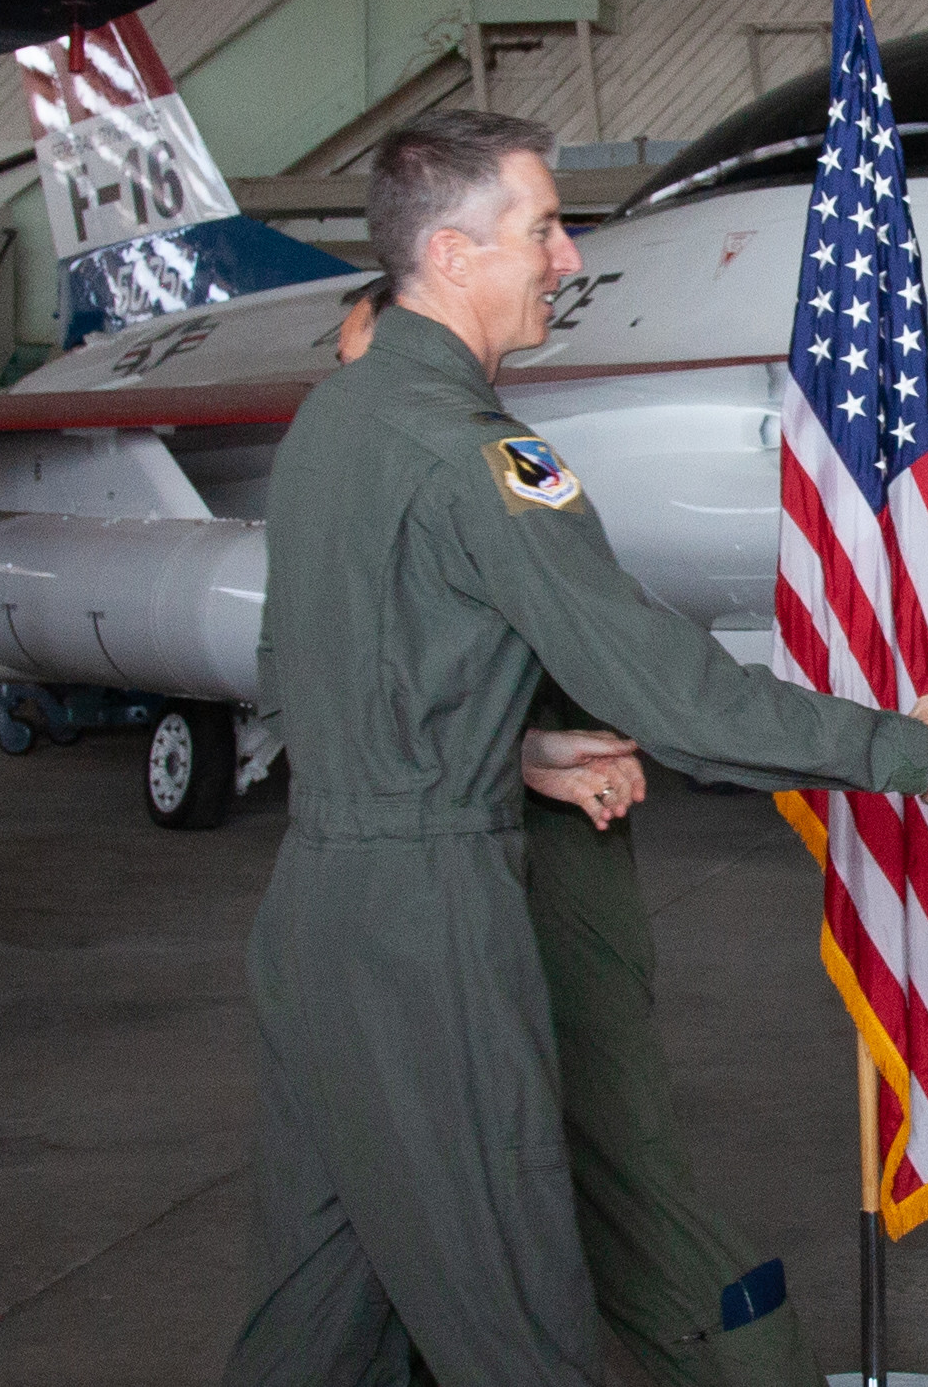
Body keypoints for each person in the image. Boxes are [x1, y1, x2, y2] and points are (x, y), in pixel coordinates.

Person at [230, 110, 928, 1387]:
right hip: (432, 932)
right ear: (450, 250)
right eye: (542, 227)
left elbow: (304, 672)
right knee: (520, 1312)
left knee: (319, 1314)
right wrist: (899, 749)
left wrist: (512, 748)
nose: (570, 256)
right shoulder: (479, 455)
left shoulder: (329, 428)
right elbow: (664, 684)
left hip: (318, 918)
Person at [335, 283, 837, 1387]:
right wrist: (513, 754)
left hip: (543, 892)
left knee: (614, 1175)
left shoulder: (499, 473)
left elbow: (641, 677)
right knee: (405, 1214)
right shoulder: (346, 494)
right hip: (411, 914)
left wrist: (885, 749)